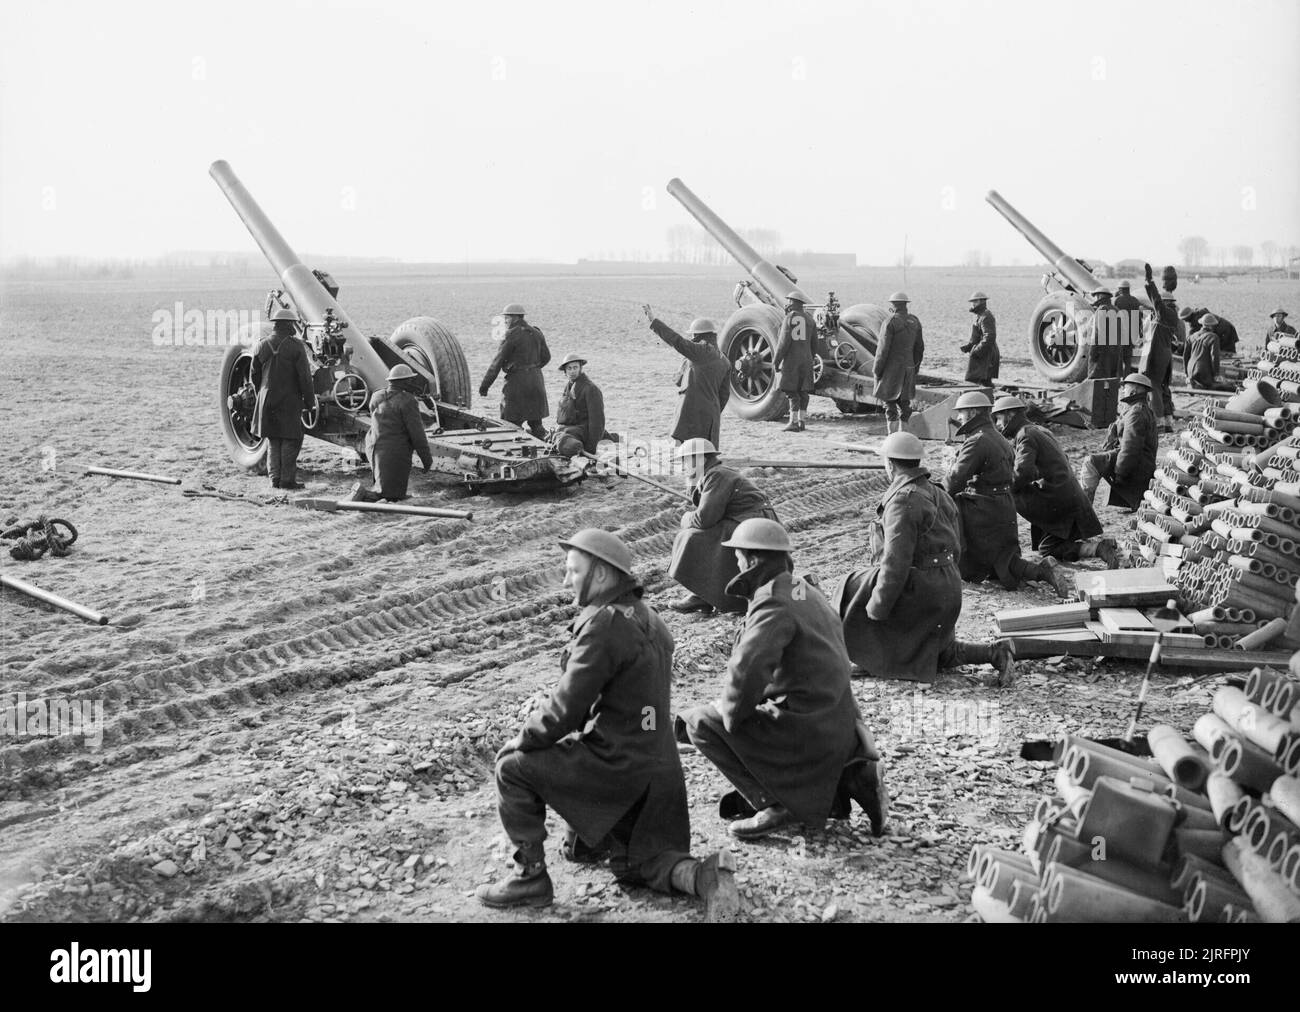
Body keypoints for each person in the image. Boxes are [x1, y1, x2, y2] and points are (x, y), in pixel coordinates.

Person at [478, 528, 740, 921]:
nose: (566, 580)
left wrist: (522, 739)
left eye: (573, 571)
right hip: (659, 769)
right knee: (639, 865)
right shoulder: (648, 617)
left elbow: (566, 711)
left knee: (512, 769)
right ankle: (704, 877)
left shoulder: (603, 626)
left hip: (618, 766)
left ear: (601, 575)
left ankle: (529, 878)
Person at [679, 519, 888, 839]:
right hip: (840, 721)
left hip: (808, 727)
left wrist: (728, 715)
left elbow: (747, 671)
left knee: (698, 722)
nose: (735, 562)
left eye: (737, 555)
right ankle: (852, 774)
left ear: (751, 560)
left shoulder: (771, 600)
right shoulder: (803, 589)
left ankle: (776, 804)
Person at [829, 432, 1015, 687]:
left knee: (851, 586)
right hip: (948, 587)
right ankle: (994, 652)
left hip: (924, 591)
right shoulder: (939, 493)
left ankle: (870, 659)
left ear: (890, 465)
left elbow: (895, 565)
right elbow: (957, 547)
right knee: (937, 651)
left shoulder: (903, 500)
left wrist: (877, 607)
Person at [946, 392, 1071, 597]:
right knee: (1004, 560)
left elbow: (954, 480)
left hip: (982, 511)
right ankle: (1044, 572)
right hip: (1002, 506)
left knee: (965, 539)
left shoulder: (977, 440)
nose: (959, 418)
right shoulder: (997, 436)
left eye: (961, 413)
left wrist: (936, 492)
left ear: (973, 412)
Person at [990, 396, 1113, 565]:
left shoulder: (1025, 435)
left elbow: (1022, 474)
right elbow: (1050, 464)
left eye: (998, 418)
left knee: (1048, 549)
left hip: (1059, 500)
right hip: (1067, 494)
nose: (997, 424)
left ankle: (1098, 548)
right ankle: (1099, 547)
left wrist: (998, 485)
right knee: (1051, 545)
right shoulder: (1038, 430)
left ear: (1010, 415)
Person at [667, 439, 779, 615]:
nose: (682, 466)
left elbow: (704, 519)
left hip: (755, 524)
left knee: (692, 537)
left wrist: (685, 518)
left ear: (701, 460)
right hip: (749, 521)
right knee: (700, 535)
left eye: (685, 460)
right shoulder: (713, 474)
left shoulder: (717, 475)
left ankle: (706, 596)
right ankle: (703, 595)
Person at [642, 306, 731, 447]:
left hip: (692, 411)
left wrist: (654, 322)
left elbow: (677, 341)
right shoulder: (724, 360)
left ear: (697, 335)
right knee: (705, 452)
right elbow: (724, 395)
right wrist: (713, 412)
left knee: (684, 451)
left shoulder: (701, 351)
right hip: (711, 416)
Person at [251, 306, 316, 490]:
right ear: (287, 325)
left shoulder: (261, 344)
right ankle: (287, 480)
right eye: (293, 324)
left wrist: (261, 394)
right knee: (290, 439)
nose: (294, 327)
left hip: (267, 399)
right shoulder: (295, 346)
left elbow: (253, 374)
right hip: (289, 400)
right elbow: (305, 377)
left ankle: (275, 480)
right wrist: (310, 402)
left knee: (273, 439)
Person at [350, 364, 433, 502]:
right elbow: (417, 435)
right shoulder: (408, 401)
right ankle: (360, 494)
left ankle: (364, 494)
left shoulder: (377, 395)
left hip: (373, 447)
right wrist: (427, 460)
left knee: (384, 486)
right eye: (410, 380)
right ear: (404, 382)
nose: (412, 383)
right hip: (394, 452)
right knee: (390, 495)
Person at [1079, 373, 1159, 511]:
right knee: (1094, 462)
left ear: (1133, 392)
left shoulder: (1136, 413)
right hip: (1140, 463)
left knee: (1090, 463)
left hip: (1136, 466)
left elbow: (1130, 447)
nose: (1122, 391)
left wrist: (1120, 472)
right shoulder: (1137, 409)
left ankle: (1083, 514)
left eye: (1125, 388)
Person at [479, 303, 551, 439]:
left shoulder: (511, 335)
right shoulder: (536, 333)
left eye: (507, 318)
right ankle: (546, 450)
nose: (505, 321)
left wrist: (484, 386)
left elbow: (497, 363)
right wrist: (533, 368)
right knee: (537, 425)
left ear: (515, 318)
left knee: (510, 425)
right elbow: (547, 357)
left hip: (517, 385)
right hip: (536, 383)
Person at [873, 292, 924, 433]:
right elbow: (920, 348)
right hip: (909, 368)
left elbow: (882, 350)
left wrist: (877, 370)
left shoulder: (890, 322)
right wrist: (915, 368)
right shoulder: (915, 321)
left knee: (889, 403)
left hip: (892, 370)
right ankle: (904, 436)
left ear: (892, 305)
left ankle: (892, 438)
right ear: (906, 304)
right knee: (905, 404)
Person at [772, 293, 818, 432]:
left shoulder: (790, 317)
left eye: (789, 301)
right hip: (807, 359)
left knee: (791, 391)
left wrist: (776, 361)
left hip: (792, 360)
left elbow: (783, 342)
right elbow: (815, 344)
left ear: (793, 302)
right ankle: (802, 422)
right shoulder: (810, 320)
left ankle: (793, 422)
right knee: (803, 392)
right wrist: (810, 356)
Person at [1141, 264, 1178, 433]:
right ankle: (1169, 421)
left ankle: (1159, 422)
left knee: (1154, 386)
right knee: (1163, 387)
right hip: (1166, 355)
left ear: (1165, 303)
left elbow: (1155, 298)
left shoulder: (1164, 312)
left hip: (1156, 354)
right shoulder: (1172, 315)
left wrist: (1149, 280)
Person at [552, 353, 606, 458]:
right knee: (558, 432)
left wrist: (591, 448)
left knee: (564, 438)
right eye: (569, 368)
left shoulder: (590, 389)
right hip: (573, 428)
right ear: (565, 372)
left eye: (575, 367)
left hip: (585, 431)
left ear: (580, 368)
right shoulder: (569, 386)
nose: (572, 371)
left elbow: (597, 422)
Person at [961, 292, 999, 384]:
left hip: (986, 354)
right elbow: (977, 336)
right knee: (981, 380)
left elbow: (989, 336)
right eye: (972, 302)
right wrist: (969, 346)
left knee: (978, 380)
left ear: (982, 302)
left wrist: (977, 351)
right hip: (983, 353)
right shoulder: (980, 316)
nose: (973, 304)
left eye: (975, 301)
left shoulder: (986, 316)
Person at [1087, 288, 1125, 380]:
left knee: (1096, 379)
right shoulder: (1116, 310)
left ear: (1100, 296)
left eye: (1096, 296)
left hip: (1102, 351)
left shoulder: (1101, 310)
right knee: (1111, 379)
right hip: (1115, 350)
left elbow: (1100, 333)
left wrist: (1094, 353)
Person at [1112, 280, 1143, 375]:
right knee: (1128, 358)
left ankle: (1120, 377)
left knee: (1119, 358)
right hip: (1132, 334)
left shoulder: (1117, 300)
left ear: (1120, 289)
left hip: (1121, 334)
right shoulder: (1135, 301)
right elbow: (1139, 318)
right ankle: (1127, 377)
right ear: (1129, 289)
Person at [1184, 313, 1222, 389]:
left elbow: (1185, 356)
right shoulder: (1213, 337)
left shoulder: (1191, 336)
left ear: (1202, 324)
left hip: (1190, 370)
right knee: (1221, 386)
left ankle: (1193, 382)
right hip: (1202, 372)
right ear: (1212, 326)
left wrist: (1186, 374)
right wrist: (1216, 374)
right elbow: (1214, 357)